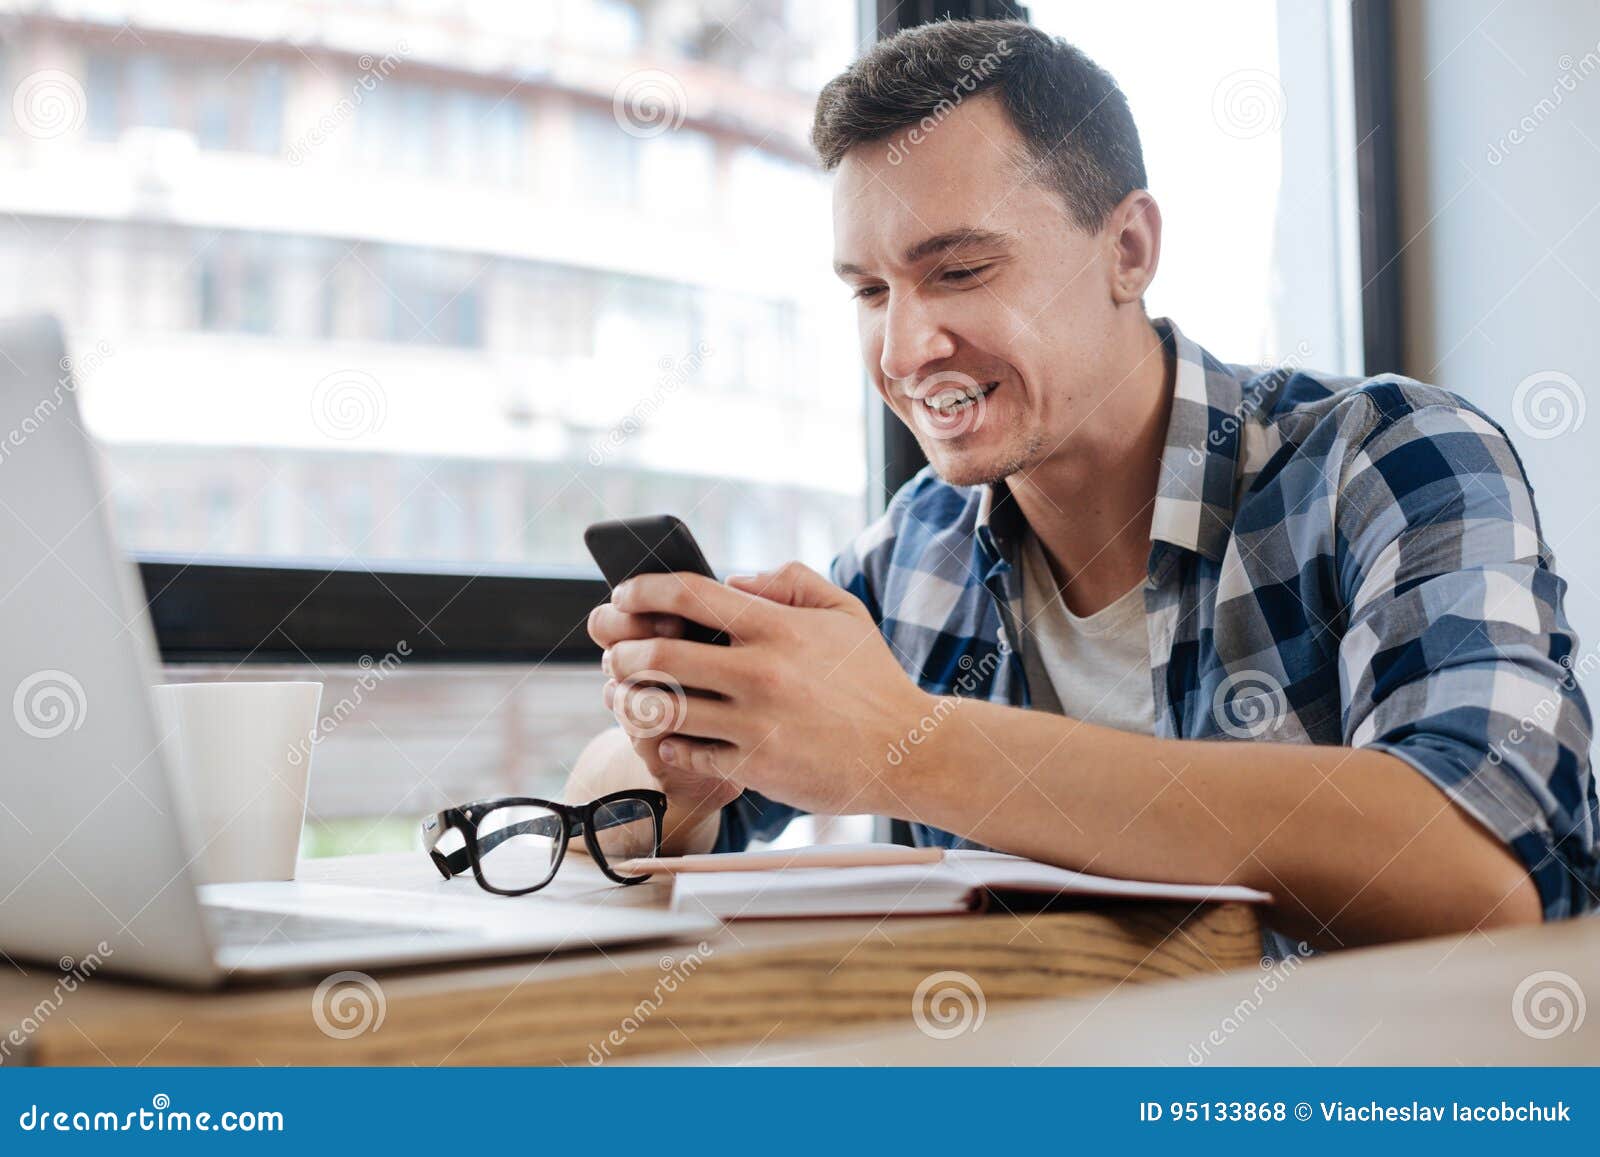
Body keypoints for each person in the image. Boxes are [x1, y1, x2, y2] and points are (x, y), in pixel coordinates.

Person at [566, 18, 1597, 950]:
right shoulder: (911, 553)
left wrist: (903, 745)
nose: (906, 344)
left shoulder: (1384, 457)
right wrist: (676, 769)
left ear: (1128, 249)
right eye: (869, 290)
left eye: (960, 271)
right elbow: (594, 825)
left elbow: (1482, 874)